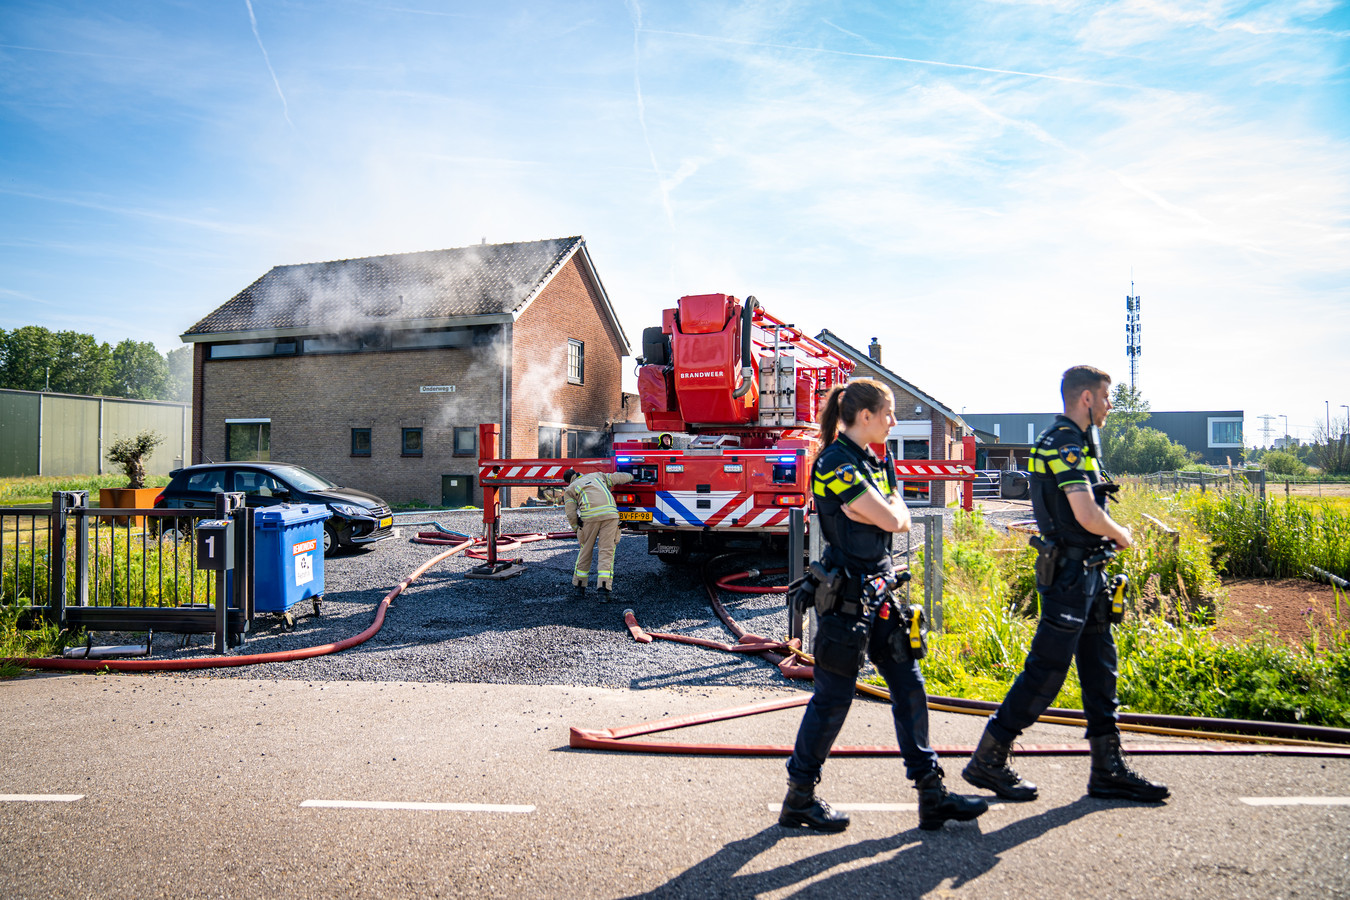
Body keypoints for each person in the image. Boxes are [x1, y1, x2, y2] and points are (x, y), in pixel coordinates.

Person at [779, 379, 988, 833]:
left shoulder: (877, 459)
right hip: (846, 598)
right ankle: (799, 798)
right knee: (833, 699)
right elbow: (893, 516)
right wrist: (887, 512)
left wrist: (884, 511)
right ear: (866, 416)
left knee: (910, 687)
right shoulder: (835, 462)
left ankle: (932, 795)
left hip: (882, 592)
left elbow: (899, 517)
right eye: (889, 413)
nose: (894, 421)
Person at [961, 365, 1169, 803]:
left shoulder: (1078, 442)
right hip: (1070, 576)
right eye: (1107, 397)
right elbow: (1085, 513)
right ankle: (989, 758)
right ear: (1086, 398)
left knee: (1100, 669)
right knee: (1047, 671)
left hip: (1089, 574)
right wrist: (1121, 533)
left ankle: (1107, 770)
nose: (1110, 406)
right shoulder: (1064, 443)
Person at [562, 467, 634, 601]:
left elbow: (571, 513)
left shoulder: (570, 489)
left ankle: (579, 587)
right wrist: (631, 476)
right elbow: (617, 477)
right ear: (578, 473)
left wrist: (576, 528)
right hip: (610, 516)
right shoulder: (597, 476)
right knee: (606, 551)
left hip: (589, 518)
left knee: (585, 550)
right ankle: (603, 591)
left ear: (568, 481)